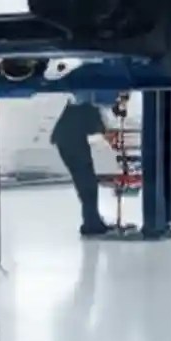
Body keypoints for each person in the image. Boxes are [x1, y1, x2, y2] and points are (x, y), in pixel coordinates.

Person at [51, 96, 119, 237]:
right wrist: (106, 133)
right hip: (70, 142)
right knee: (87, 184)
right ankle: (91, 224)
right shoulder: (88, 101)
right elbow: (93, 120)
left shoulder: (85, 98)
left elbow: (94, 121)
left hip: (72, 140)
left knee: (87, 183)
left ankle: (92, 222)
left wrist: (106, 132)